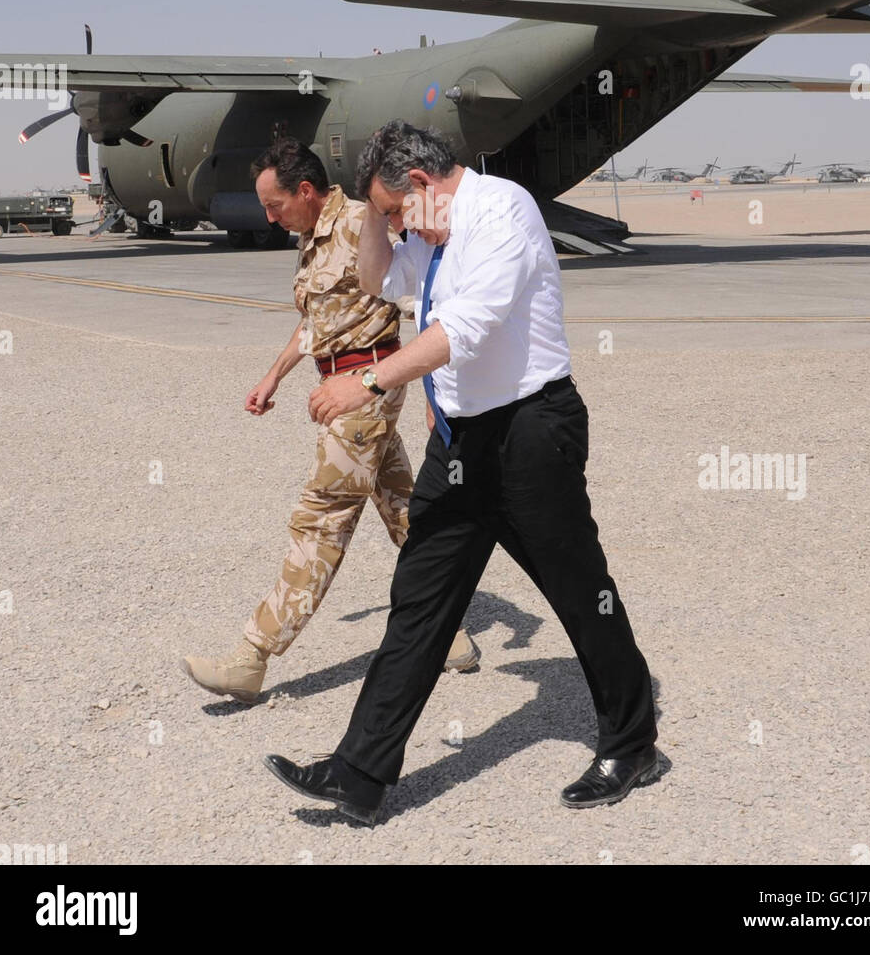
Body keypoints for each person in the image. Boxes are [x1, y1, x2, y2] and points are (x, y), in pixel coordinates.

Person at [263, 120, 658, 825]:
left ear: (421, 185)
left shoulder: (501, 211)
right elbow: (376, 280)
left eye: (392, 211)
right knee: (419, 602)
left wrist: (371, 383)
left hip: (532, 434)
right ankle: (358, 774)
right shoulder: (429, 235)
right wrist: (382, 216)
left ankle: (632, 744)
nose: (391, 227)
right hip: (461, 443)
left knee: (579, 592)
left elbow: (467, 327)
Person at [180, 136, 477, 704]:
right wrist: (275, 376)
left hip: (367, 389)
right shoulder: (312, 238)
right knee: (405, 511)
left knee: (323, 516)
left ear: (307, 191)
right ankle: (450, 631)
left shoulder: (363, 221)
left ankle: (252, 658)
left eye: (275, 205)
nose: (268, 217)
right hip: (338, 384)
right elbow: (318, 322)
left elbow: (433, 268)